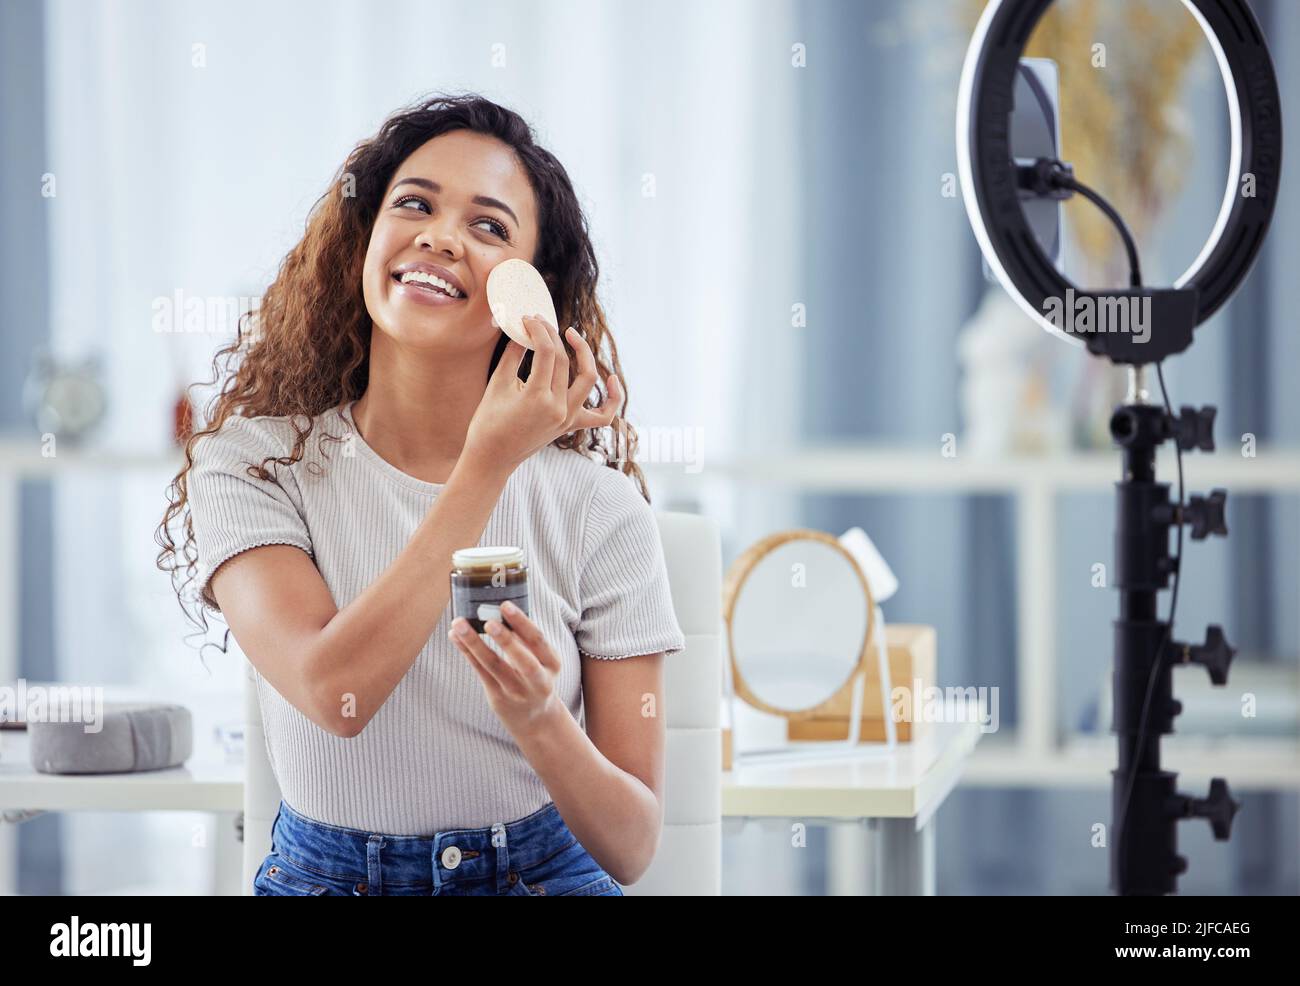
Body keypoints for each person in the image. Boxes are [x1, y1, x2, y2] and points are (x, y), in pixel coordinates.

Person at [156, 92, 686, 896]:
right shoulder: (251, 464)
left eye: (489, 226)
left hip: (542, 874)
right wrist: (488, 465)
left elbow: (631, 846)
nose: (441, 237)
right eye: (415, 204)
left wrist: (543, 720)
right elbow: (335, 696)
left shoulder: (599, 509)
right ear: (364, 240)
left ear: (531, 295)